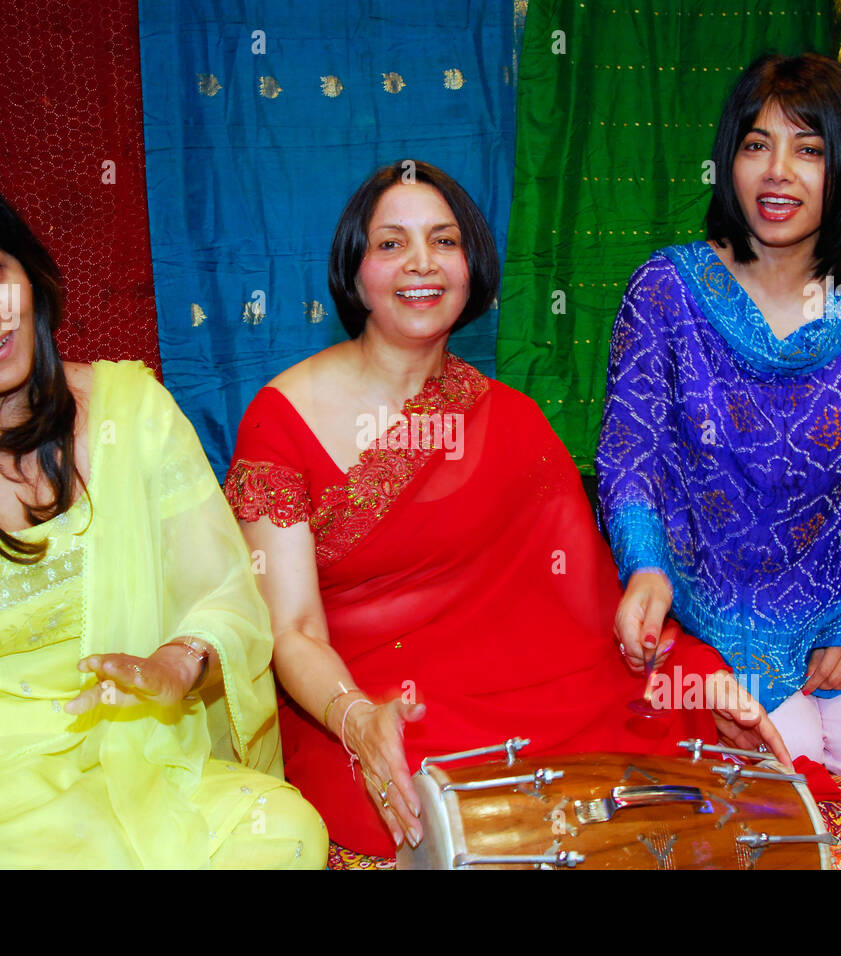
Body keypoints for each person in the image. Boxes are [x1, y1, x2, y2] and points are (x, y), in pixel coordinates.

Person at [225, 161, 787, 858]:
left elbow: (583, 610)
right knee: (433, 795)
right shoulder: (282, 419)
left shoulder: (512, 421)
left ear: (473, 265)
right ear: (355, 269)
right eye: (392, 244)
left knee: (622, 769)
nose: (421, 264)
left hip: (520, 684)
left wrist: (692, 678)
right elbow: (292, 629)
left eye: (445, 241)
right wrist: (359, 721)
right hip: (359, 701)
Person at [0, 156, 326, 869]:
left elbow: (224, 593)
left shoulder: (130, 414)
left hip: (137, 758)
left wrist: (178, 664)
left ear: (24, 269)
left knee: (287, 834)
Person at [596, 53, 841, 777]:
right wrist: (645, 568)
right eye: (757, 145)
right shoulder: (666, 290)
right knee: (778, 764)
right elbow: (629, 455)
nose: (777, 172)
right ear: (729, 160)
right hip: (713, 602)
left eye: (809, 149)